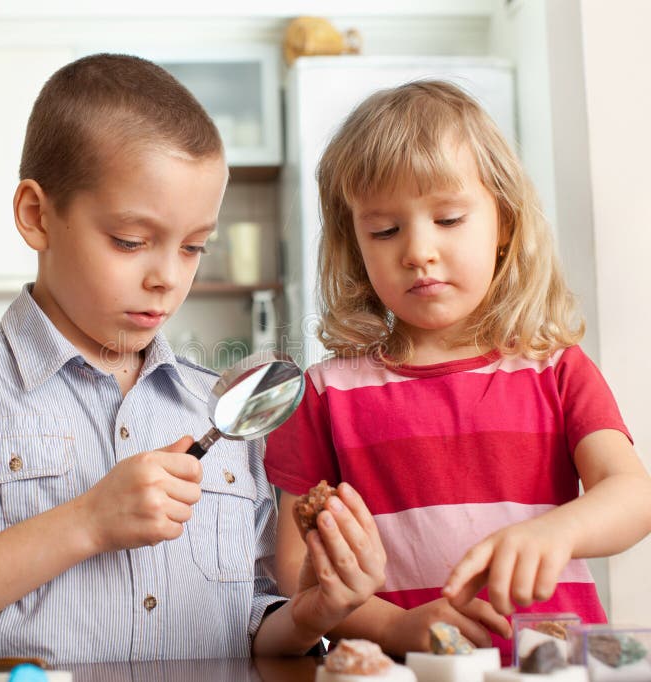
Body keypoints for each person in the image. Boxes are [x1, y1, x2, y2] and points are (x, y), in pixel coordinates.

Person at [0, 54, 387, 671]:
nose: (166, 278)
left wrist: (313, 612)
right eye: (130, 242)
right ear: (36, 215)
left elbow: (246, 629)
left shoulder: (215, 407)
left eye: (192, 248)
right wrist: (85, 524)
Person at [264, 80, 651, 663]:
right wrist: (395, 627)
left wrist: (558, 531)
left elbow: (633, 496)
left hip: (552, 669)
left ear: (503, 225)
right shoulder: (326, 395)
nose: (418, 250)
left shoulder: (557, 370)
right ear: (355, 248)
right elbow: (295, 571)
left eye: (448, 218)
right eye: (385, 230)